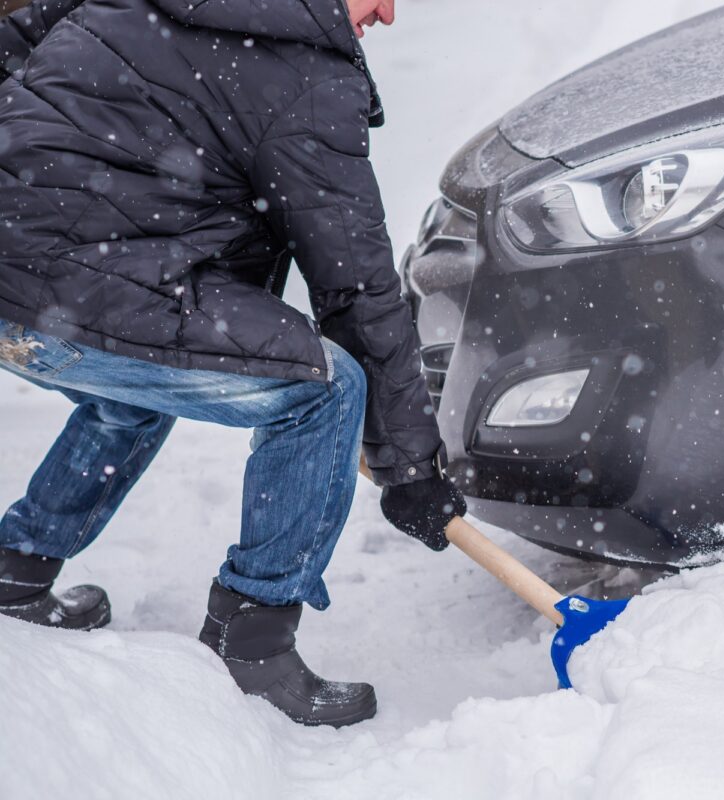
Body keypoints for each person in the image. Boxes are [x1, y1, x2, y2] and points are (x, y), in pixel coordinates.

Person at [0, 0, 465, 728]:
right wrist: (409, 467)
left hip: (24, 289)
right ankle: (252, 643)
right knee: (326, 389)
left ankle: (16, 570)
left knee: (138, 380)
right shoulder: (308, 76)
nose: (388, 13)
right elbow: (356, 288)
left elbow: (13, 42)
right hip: (73, 295)